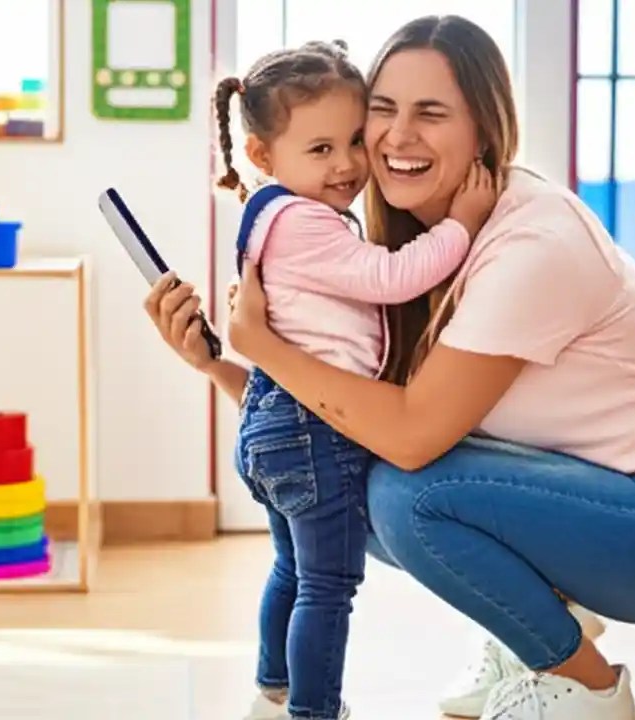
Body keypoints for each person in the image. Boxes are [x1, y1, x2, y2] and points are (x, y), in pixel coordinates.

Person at [146, 15, 635, 720]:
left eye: (431, 114)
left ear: (484, 130)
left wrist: (263, 344)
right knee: (344, 480)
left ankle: (589, 690)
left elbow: (408, 437)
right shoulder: (409, 241)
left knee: (405, 495)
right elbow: (335, 421)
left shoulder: (532, 243)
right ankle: (531, 633)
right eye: (383, 110)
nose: (396, 137)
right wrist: (219, 365)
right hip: (593, 495)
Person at [207, 38, 498, 720]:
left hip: (273, 420)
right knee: (328, 585)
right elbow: (392, 277)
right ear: (262, 155)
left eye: (354, 143)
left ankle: (274, 690)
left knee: (292, 569)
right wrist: (461, 225)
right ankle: (312, 710)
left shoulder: (274, 215)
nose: (346, 165)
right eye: (320, 149)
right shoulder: (303, 223)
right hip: (311, 429)